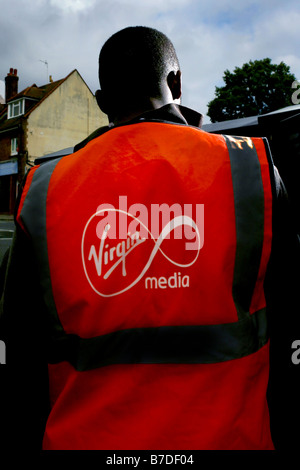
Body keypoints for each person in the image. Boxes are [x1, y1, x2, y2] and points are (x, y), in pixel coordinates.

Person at [0, 26, 299, 451]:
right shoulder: (252, 171)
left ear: (102, 103)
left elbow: (19, 362)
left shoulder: (44, 190)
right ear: (176, 82)